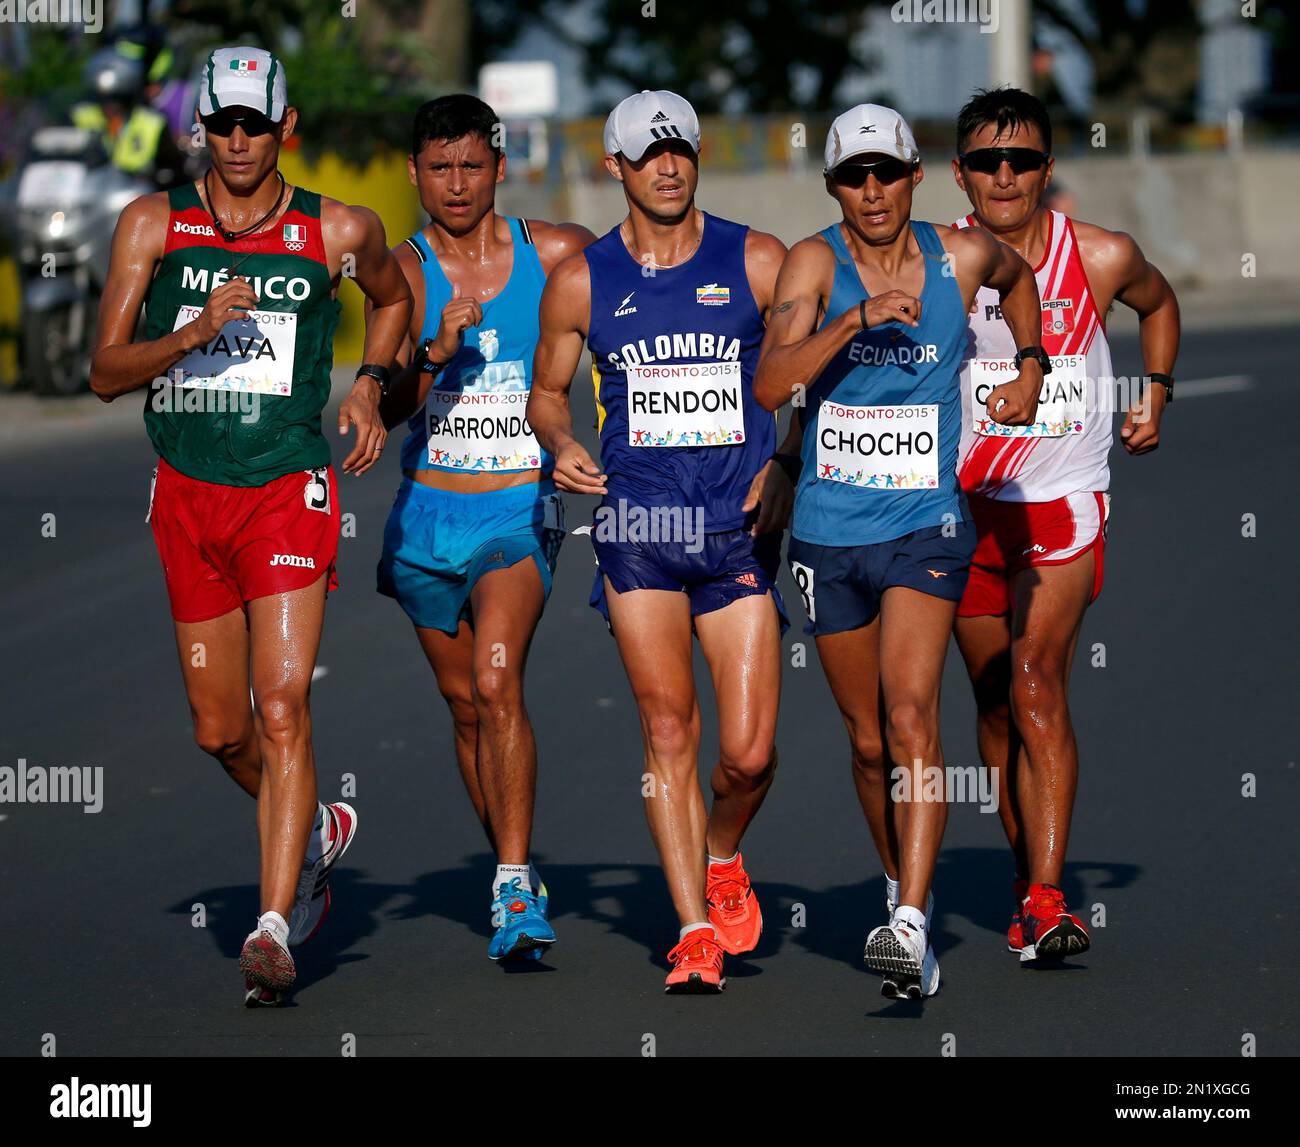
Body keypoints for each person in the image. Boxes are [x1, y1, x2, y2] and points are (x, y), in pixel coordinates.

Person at [89, 47, 412, 1005]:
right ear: (204, 128)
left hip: (284, 489)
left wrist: (367, 384)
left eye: (254, 124)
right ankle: (310, 829)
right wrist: (188, 334)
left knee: (281, 706)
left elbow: (392, 299)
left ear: (286, 128)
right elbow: (105, 372)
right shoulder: (153, 224)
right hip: (188, 493)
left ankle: (273, 926)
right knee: (220, 729)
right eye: (222, 123)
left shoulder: (336, 227)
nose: (237, 140)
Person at [753, 103, 1046, 1000]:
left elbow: (1021, 273)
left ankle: (911, 920)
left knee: (915, 713)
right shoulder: (813, 262)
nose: (871, 191)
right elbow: (769, 383)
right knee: (870, 738)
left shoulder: (961, 257)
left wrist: (1029, 363)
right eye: (853, 176)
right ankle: (896, 887)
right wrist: (853, 323)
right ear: (835, 186)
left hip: (928, 524)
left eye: (886, 173)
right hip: (830, 533)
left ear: (917, 175)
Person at [527, 91, 792, 993]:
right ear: (616, 167)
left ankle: (723, 852)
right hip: (639, 524)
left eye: (680, 149)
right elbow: (547, 391)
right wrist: (560, 443)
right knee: (669, 724)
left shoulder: (757, 260)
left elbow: (804, 376)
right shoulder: (583, 279)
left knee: (748, 754)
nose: (668, 166)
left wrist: (783, 464)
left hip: (736, 526)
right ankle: (691, 930)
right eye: (648, 156)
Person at [949, 87, 1177, 960]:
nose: (1004, 176)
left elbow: (1160, 306)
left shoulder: (1102, 256)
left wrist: (1155, 392)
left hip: (1065, 502)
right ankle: (1024, 878)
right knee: (996, 704)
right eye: (984, 161)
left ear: (1048, 166)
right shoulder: (939, 260)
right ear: (962, 171)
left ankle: (1048, 899)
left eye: (1021, 159)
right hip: (963, 510)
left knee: (1038, 677)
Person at [375, 95, 594, 962]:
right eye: (440, 168)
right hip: (426, 515)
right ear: (414, 174)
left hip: (518, 508)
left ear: (501, 167)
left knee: (499, 682)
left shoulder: (559, 252)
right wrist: (433, 352)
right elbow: (388, 404)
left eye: (472, 166)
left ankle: (509, 885)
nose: (457, 184)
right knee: (466, 704)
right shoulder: (402, 271)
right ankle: (517, 869)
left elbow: (640, 324)